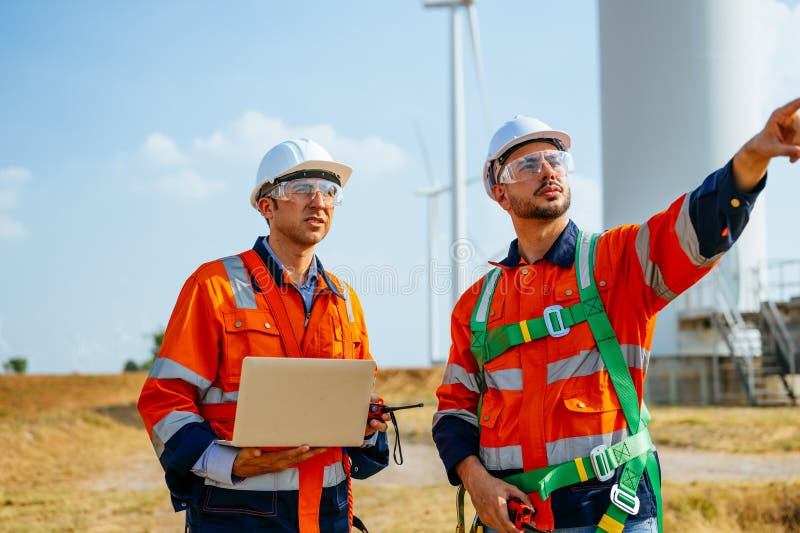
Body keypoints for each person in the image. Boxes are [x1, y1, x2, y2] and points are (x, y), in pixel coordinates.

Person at [432, 98, 800, 533]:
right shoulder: (477, 304)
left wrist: (754, 155)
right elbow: (454, 411)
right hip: (514, 518)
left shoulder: (619, 261)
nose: (547, 170)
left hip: (611, 511)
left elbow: (697, 227)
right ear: (500, 191)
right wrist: (476, 482)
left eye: (555, 159)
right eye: (527, 164)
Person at [138, 138, 390, 532]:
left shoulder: (345, 300)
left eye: (329, 191)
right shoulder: (214, 286)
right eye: (302, 188)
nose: (319, 201)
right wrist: (230, 462)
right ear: (266, 206)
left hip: (327, 513)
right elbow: (165, 401)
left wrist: (369, 424)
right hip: (238, 511)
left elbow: (355, 400)